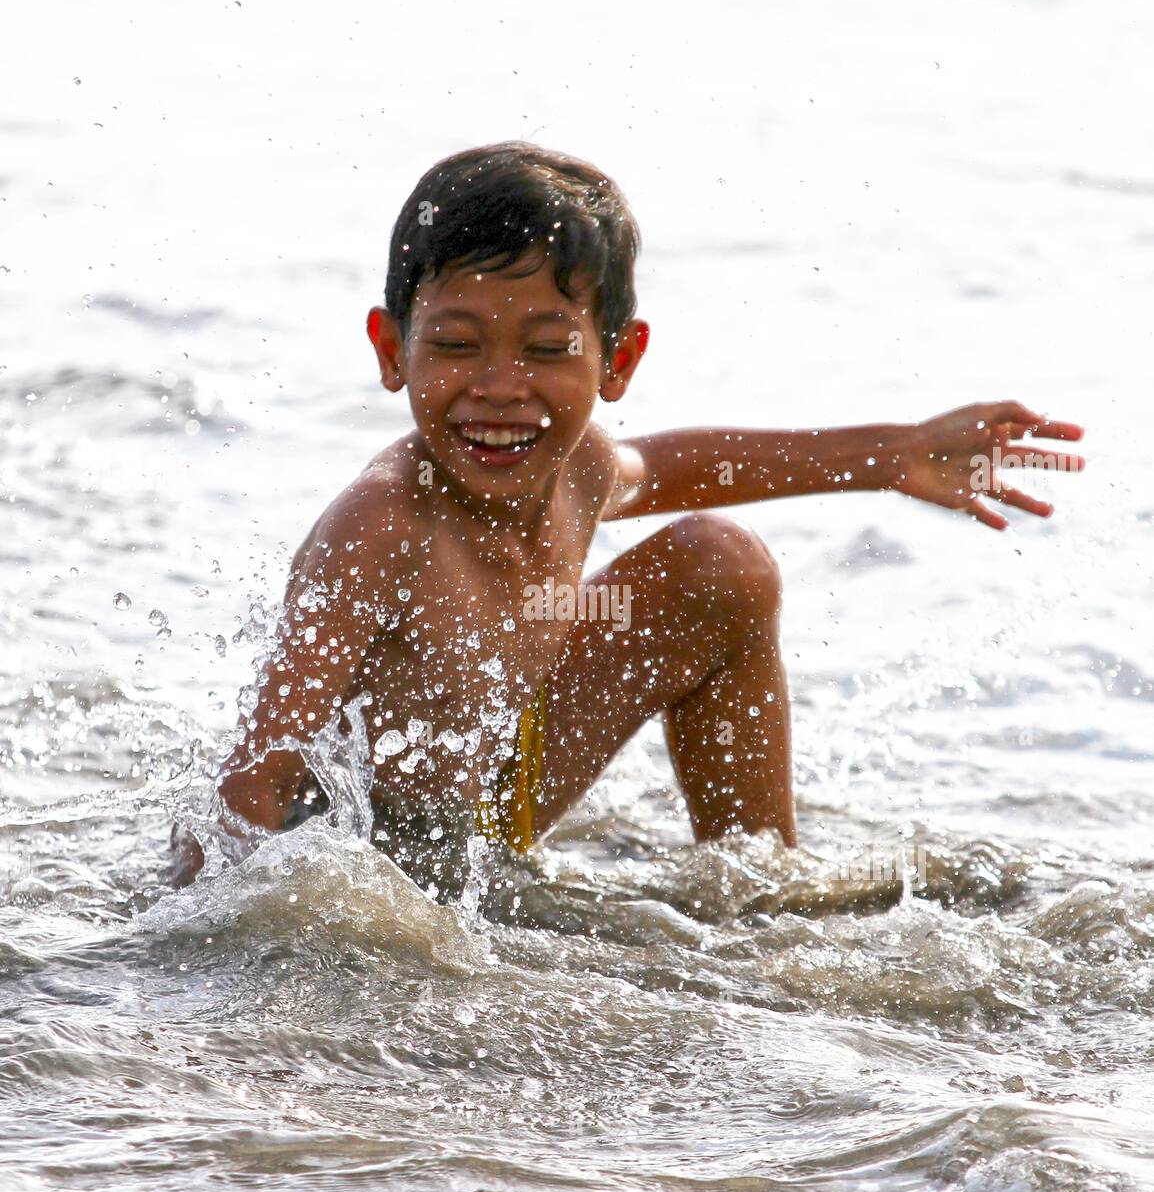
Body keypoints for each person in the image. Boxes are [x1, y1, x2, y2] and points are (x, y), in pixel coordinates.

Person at [169, 141, 1084, 892]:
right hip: (363, 859)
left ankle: (764, 887)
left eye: (545, 349)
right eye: (454, 344)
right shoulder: (380, 528)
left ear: (619, 362)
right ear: (390, 349)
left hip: (498, 794)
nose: (499, 388)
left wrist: (890, 453)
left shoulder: (576, 469)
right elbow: (258, 773)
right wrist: (209, 941)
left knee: (722, 562)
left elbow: (679, 466)